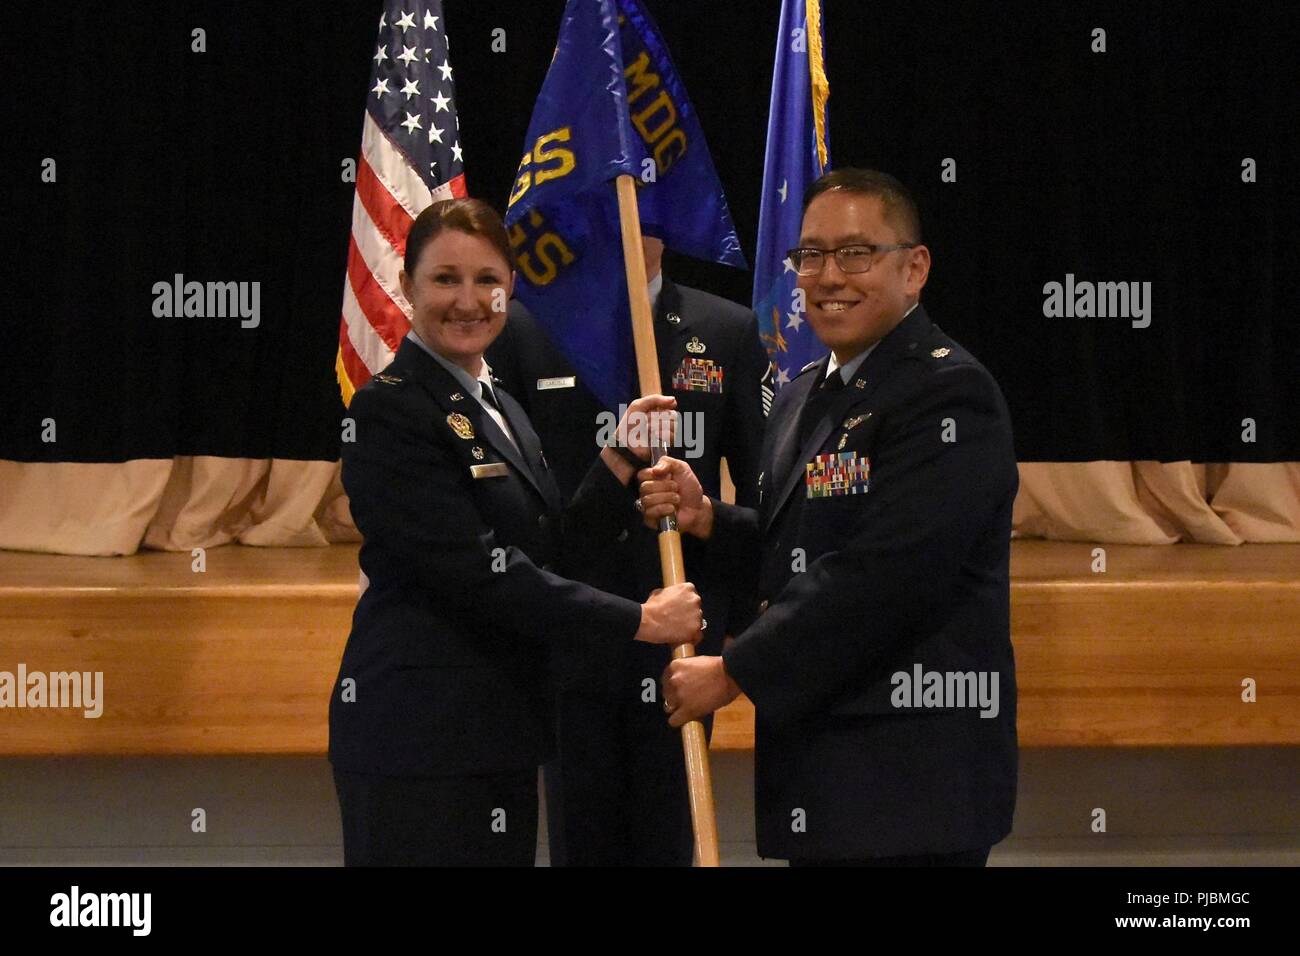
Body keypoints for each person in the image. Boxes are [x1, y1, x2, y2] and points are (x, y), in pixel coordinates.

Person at [640, 169, 1019, 866]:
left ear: (915, 268)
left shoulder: (948, 393)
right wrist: (708, 522)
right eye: (810, 255)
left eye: (855, 253)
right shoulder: (806, 392)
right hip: (825, 776)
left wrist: (734, 670)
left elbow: (885, 575)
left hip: (908, 786)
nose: (827, 275)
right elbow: (802, 549)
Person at [328, 198, 702, 867]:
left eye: (486, 280)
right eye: (445, 279)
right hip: (418, 737)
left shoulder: (497, 403)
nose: (468, 300)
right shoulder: (390, 410)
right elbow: (481, 572)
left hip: (497, 731)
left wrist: (617, 459)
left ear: (511, 289)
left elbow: (547, 548)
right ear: (409, 285)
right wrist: (641, 620)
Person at [487, 237, 771, 866]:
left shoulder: (726, 328)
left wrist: (741, 644)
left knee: (668, 841)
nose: (623, 222)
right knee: (580, 843)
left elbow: (765, 514)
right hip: (572, 639)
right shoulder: (527, 327)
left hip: (680, 648)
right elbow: (516, 513)